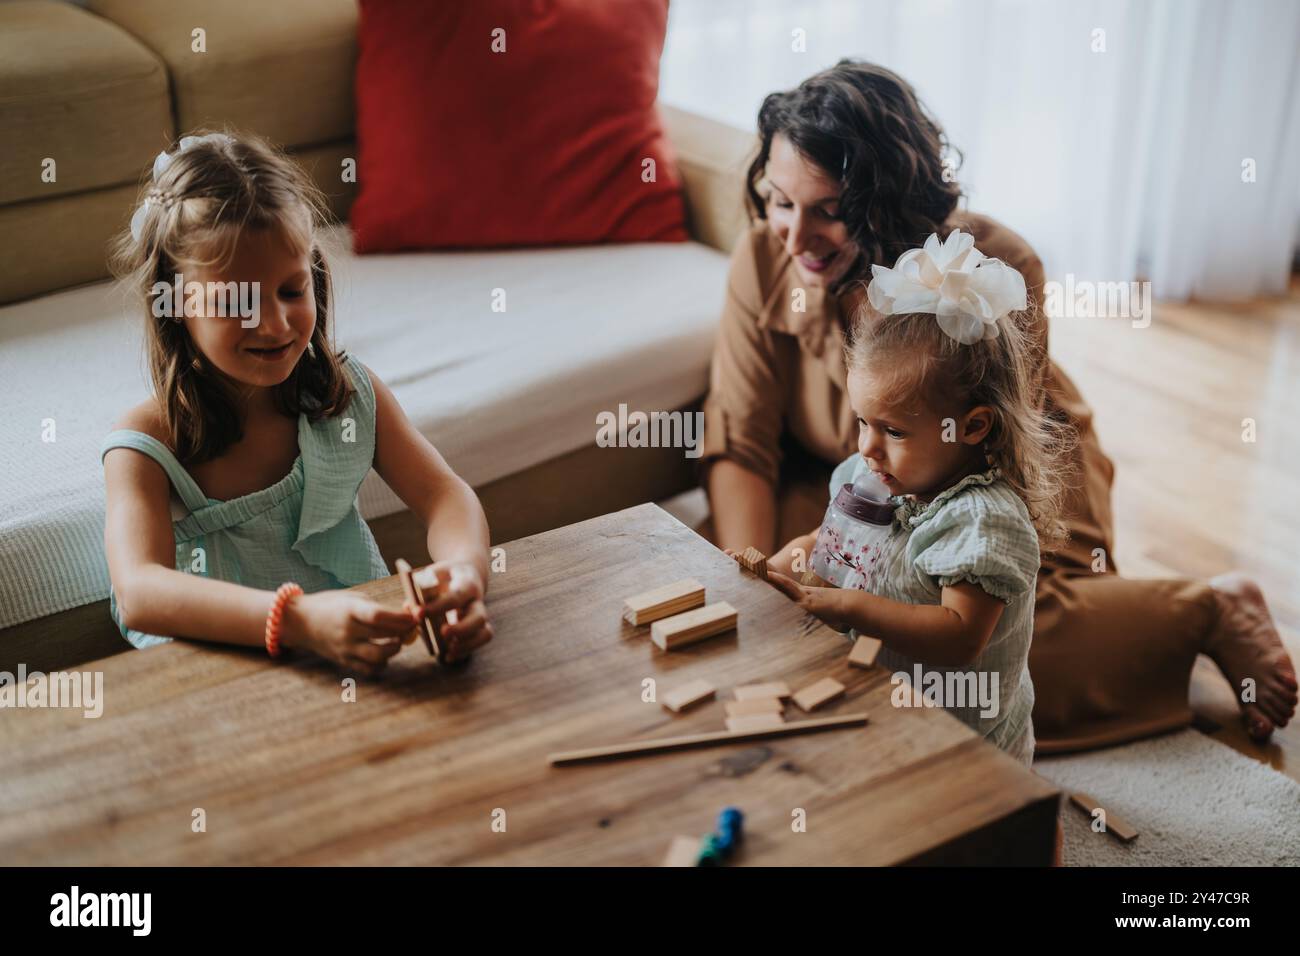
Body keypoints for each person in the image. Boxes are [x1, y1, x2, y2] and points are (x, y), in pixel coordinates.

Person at [701, 61, 1296, 751]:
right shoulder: (761, 258)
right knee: (816, 618)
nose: (795, 235)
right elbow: (742, 442)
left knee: (992, 659)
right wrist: (749, 579)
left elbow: (975, 486)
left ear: (885, 202)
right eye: (780, 201)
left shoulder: (999, 263)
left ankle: (1210, 609)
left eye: (829, 212)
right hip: (862, 481)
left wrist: (876, 596)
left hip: (984, 481)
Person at [102, 132, 493, 674]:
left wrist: (463, 574)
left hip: (368, 665)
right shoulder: (146, 444)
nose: (274, 324)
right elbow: (139, 590)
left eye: (291, 290)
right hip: (223, 689)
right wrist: (300, 620)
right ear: (174, 307)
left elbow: (444, 494)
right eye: (237, 303)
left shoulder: (348, 392)